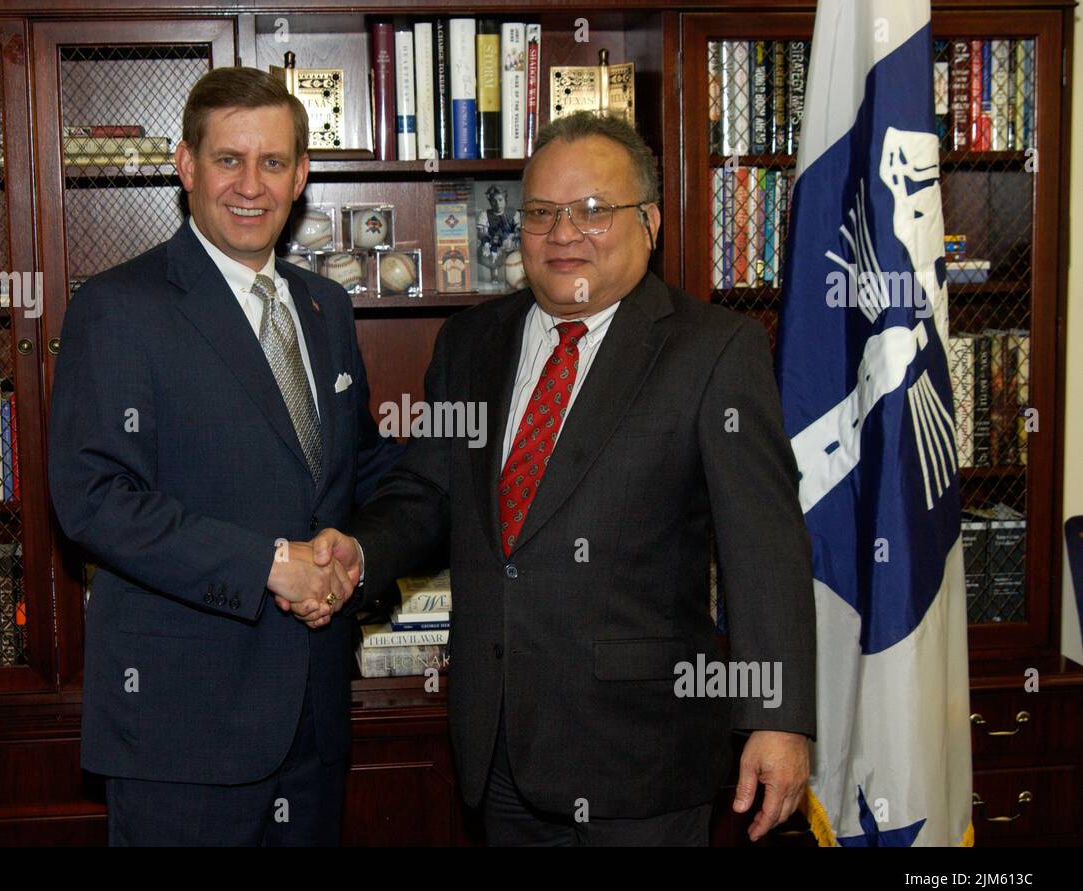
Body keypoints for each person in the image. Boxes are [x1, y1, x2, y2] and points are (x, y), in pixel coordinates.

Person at [299, 111, 816, 846]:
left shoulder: (713, 349)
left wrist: (777, 716)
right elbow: (428, 491)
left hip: (641, 758)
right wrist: (360, 552)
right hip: (498, 750)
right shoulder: (472, 343)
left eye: (594, 211)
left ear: (652, 223)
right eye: (541, 212)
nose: (563, 233)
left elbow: (765, 548)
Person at [47, 67, 399, 846]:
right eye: (227, 160)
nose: (251, 184)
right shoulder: (117, 306)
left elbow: (356, 472)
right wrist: (271, 563)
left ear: (302, 175)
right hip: (183, 730)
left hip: (312, 715)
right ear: (185, 166)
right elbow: (93, 498)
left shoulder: (325, 307)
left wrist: (364, 549)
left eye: (273, 162)